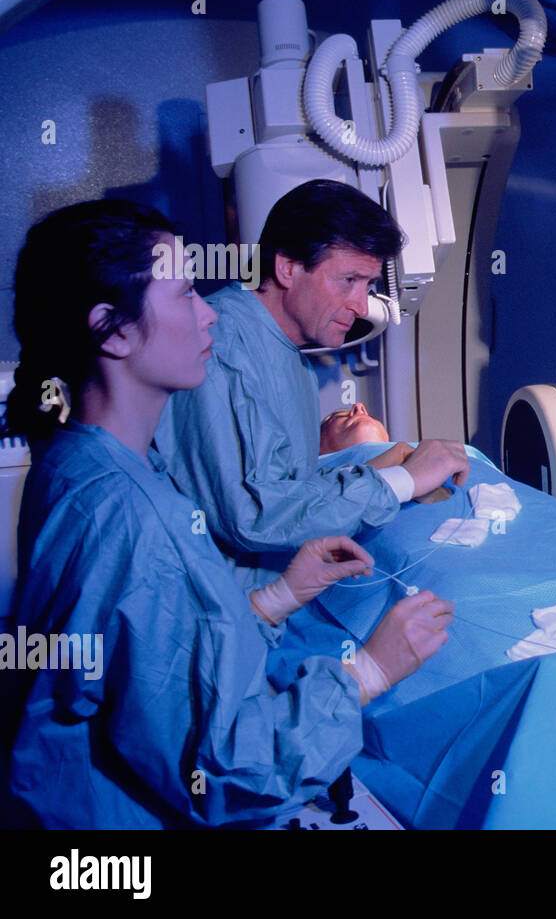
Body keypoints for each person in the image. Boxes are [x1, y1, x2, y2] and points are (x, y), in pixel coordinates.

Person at [1, 200, 454, 827]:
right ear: (115, 330)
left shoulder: (85, 464)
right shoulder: (137, 519)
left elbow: (144, 654)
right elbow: (219, 774)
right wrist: (367, 673)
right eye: (186, 293)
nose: (211, 310)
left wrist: (272, 600)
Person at [153, 179, 468, 580]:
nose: (360, 304)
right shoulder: (219, 348)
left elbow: (283, 484)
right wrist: (402, 482)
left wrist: (372, 473)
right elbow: (253, 516)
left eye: (368, 285)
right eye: (348, 280)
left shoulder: (288, 357)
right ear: (287, 268)